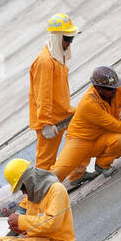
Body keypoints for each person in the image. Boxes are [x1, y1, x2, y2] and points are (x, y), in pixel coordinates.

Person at [29, 13, 78, 170]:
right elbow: (43, 96)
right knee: (45, 163)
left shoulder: (57, 56)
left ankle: (78, 173)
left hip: (64, 113)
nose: (69, 43)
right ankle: (40, 193)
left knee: (81, 137)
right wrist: (45, 124)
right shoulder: (45, 62)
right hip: (50, 120)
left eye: (71, 39)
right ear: (57, 37)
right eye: (67, 39)